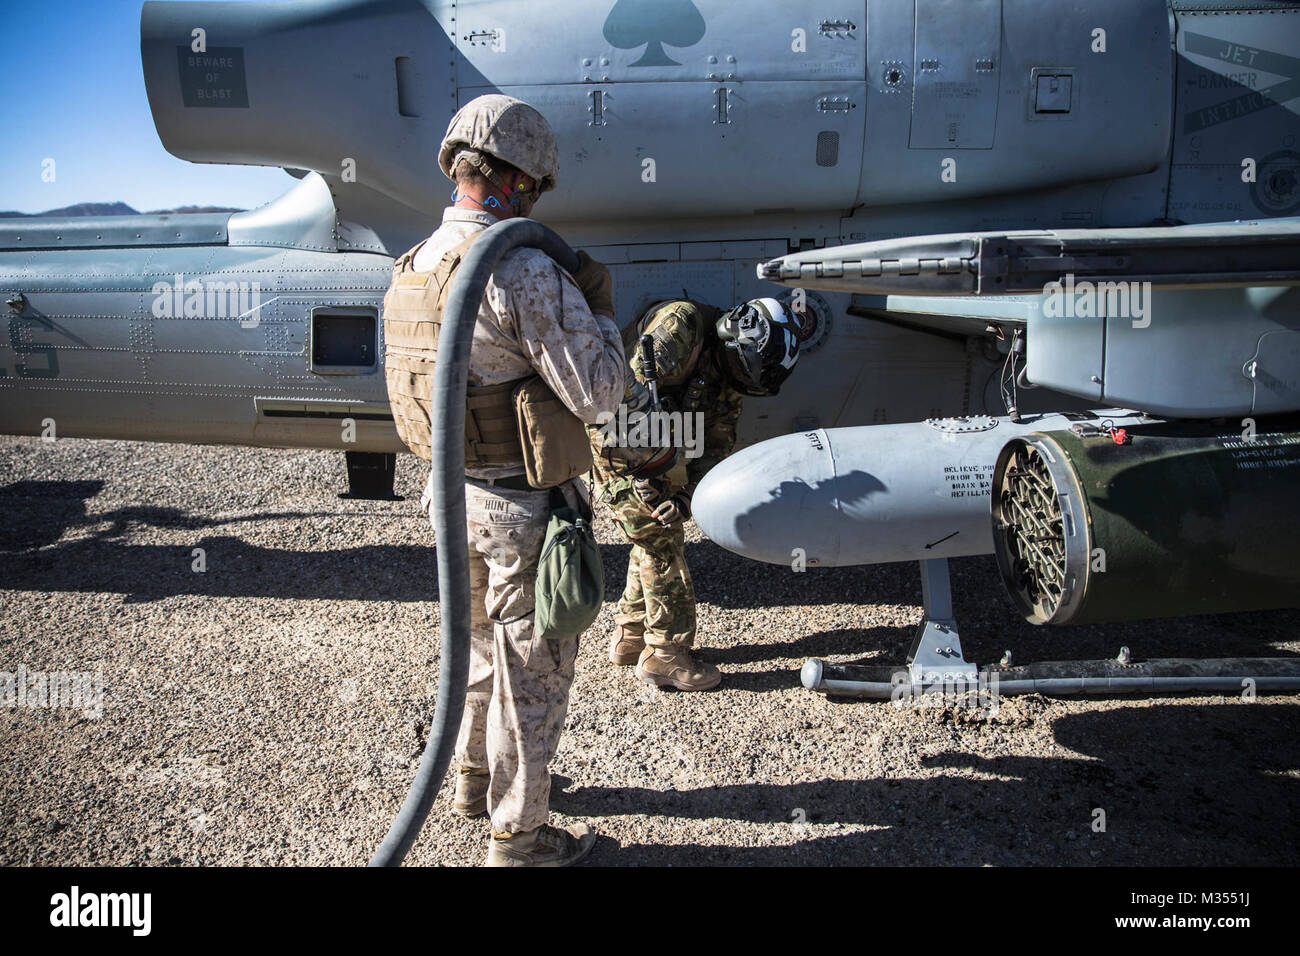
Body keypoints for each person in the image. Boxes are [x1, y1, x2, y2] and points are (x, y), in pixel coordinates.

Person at [383, 94, 624, 866]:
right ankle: (519, 837)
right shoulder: (521, 270)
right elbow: (601, 393)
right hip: (524, 511)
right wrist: (602, 312)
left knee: (478, 650)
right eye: (539, 189)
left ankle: (471, 778)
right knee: (532, 677)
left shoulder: (414, 264)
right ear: (521, 181)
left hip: (452, 501)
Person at [591, 297, 803, 691]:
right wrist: (648, 470)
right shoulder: (681, 326)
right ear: (732, 340)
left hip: (660, 446)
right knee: (661, 540)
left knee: (652, 535)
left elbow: (718, 445)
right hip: (615, 431)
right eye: (743, 369)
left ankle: (632, 634)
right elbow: (621, 392)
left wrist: (687, 497)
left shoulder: (730, 377)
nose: (741, 379)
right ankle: (665, 655)